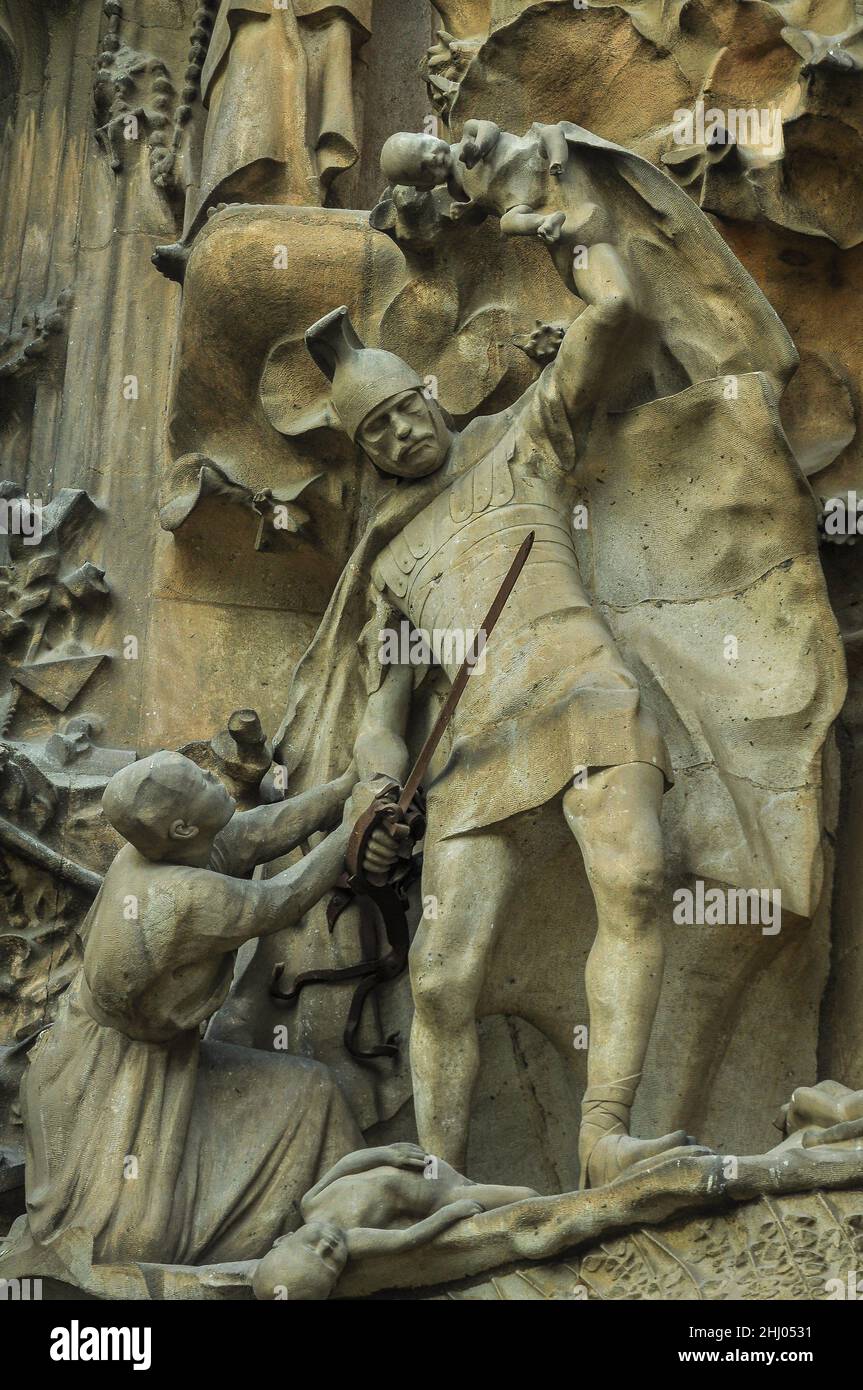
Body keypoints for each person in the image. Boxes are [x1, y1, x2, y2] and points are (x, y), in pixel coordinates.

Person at [19, 751, 394, 1265]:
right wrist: (355, 826)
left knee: (314, 1091)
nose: (211, 774)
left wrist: (345, 788)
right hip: (117, 1079)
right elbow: (284, 899)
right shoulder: (181, 895)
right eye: (196, 779)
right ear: (180, 825)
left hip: (143, 1053)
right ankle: (318, 1242)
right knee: (132, 1237)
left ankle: (360, 1220)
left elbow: (259, 830)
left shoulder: (173, 849)